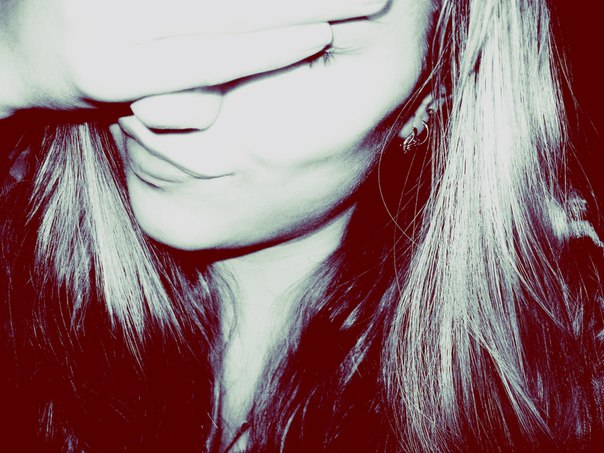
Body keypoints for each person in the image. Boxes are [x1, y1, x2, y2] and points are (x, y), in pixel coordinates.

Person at [0, 0, 602, 451]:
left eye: (309, 52)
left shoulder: (563, 387)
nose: (166, 108)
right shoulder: (17, 269)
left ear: (437, 85)